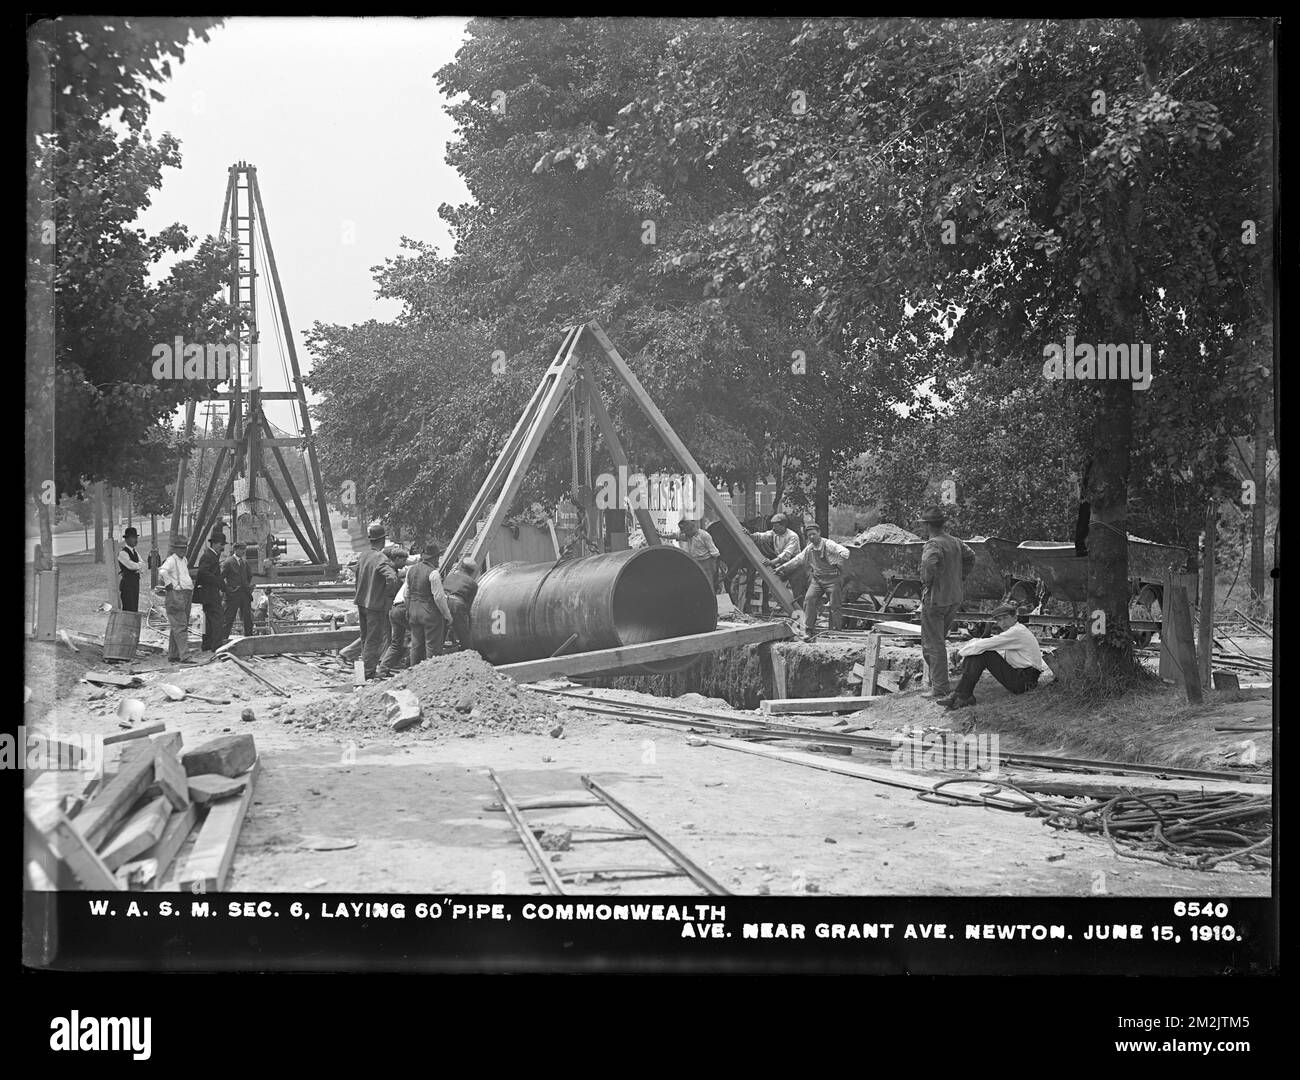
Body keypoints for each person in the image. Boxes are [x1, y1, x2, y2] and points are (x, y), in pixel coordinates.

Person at [917, 506, 976, 698]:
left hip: (936, 599)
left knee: (933, 644)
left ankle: (940, 688)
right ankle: (937, 681)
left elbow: (928, 566)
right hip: (954, 598)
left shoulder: (933, 544)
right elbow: (971, 557)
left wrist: (928, 584)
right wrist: (960, 577)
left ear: (927, 525)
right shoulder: (955, 542)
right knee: (937, 641)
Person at [940, 603, 1046, 709]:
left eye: (1005, 618)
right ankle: (961, 694)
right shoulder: (1016, 630)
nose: (1003, 623)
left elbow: (984, 644)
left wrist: (960, 652)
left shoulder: (1017, 632)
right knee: (979, 651)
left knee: (983, 652)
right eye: (999, 620)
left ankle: (962, 695)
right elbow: (985, 643)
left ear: (1015, 617)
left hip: (1025, 682)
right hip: (1023, 678)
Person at [777, 522, 850, 635]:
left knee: (835, 605)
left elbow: (845, 551)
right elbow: (798, 560)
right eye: (809, 535)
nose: (811, 537)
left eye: (814, 534)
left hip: (832, 579)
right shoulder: (809, 548)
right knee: (809, 600)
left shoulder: (828, 544)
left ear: (819, 533)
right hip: (817, 580)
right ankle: (808, 629)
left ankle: (836, 631)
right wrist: (782, 568)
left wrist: (839, 557)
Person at [354, 522, 398, 679]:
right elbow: (392, 578)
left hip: (361, 603)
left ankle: (365, 668)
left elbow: (357, 576)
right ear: (383, 540)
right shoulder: (380, 557)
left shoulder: (363, 555)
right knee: (374, 639)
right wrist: (387, 597)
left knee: (366, 637)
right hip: (374, 605)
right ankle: (368, 672)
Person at [406, 543, 453, 666]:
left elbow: (407, 594)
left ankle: (413, 672)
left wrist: (409, 610)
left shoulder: (411, 570)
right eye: (438, 557)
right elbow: (439, 598)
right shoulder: (433, 574)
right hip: (429, 614)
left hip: (413, 612)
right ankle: (432, 673)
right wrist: (447, 615)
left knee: (416, 646)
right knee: (432, 647)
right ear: (434, 558)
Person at [377, 546, 413, 679]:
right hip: (400, 608)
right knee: (417, 635)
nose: (404, 564)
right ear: (396, 559)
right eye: (403, 560)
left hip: (393, 609)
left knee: (396, 642)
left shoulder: (400, 573)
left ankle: (383, 669)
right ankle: (412, 665)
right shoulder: (391, 572)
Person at [158, 533, 195, 664]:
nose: (183, 550)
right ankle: (185, 655)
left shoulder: (183, 560)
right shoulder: (171, 560)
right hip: (176, 594)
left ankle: (173, 654)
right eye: (180, 548)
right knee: (181, 626)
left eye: (184, 548)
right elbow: (162, 571)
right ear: (174, 549)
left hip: (185, 594)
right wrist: (169, 586)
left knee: (178, 626)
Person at [192, 531, 228, 652]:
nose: (222, 547)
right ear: (214, 544)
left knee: (208, 620)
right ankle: (217, 646)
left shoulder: (211, 555)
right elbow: (203, 573)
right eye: (221, 544)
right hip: (209, 593)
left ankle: (207, 644)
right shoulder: (208, 556)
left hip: (207, 593)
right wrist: (219, 582)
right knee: (217, 618)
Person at [666, 518, 720, 588]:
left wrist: (710, 566)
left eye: (686, 532)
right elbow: (676, 536)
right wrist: (662, 536)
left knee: (708, 583)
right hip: (695, 561)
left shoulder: (704, 536)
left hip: (706, 562)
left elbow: (715, 553)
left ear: (691, 529)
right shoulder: (689, 536)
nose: (685, 534)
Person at [442, 557, 479, 650]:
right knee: (464, 634)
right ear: (472, 572)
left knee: (440, 632)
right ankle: (467, 653)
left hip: (442, 602)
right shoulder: (472, 584)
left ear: (461, 567)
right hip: (457, 604)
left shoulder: (449, 577)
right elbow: (467, 607)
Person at [222, 542, 257, 639]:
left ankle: (249, 640)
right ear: (235, 550)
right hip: (233, 595)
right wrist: (228, 589)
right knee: (228, 618)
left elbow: (249, 576)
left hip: (244, 594)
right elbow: (220, 578)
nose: (243, 551)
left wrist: (247, 586)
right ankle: (223, 641)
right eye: (241, 549)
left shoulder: (244, 562)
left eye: (244, 549)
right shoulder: (228, 562)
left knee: (248, 619)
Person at [117, 527, 144, 612]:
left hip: (135, 582)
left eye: (136, 537)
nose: (135, 540)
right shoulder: (123, 553)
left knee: (134, 606)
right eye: (133, 538)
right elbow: (131, 566)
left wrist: (138, 566)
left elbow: (143, 564)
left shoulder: (135, 552)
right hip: (127, 583)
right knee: (128, 607)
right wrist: (138, 565)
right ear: (127, 539)